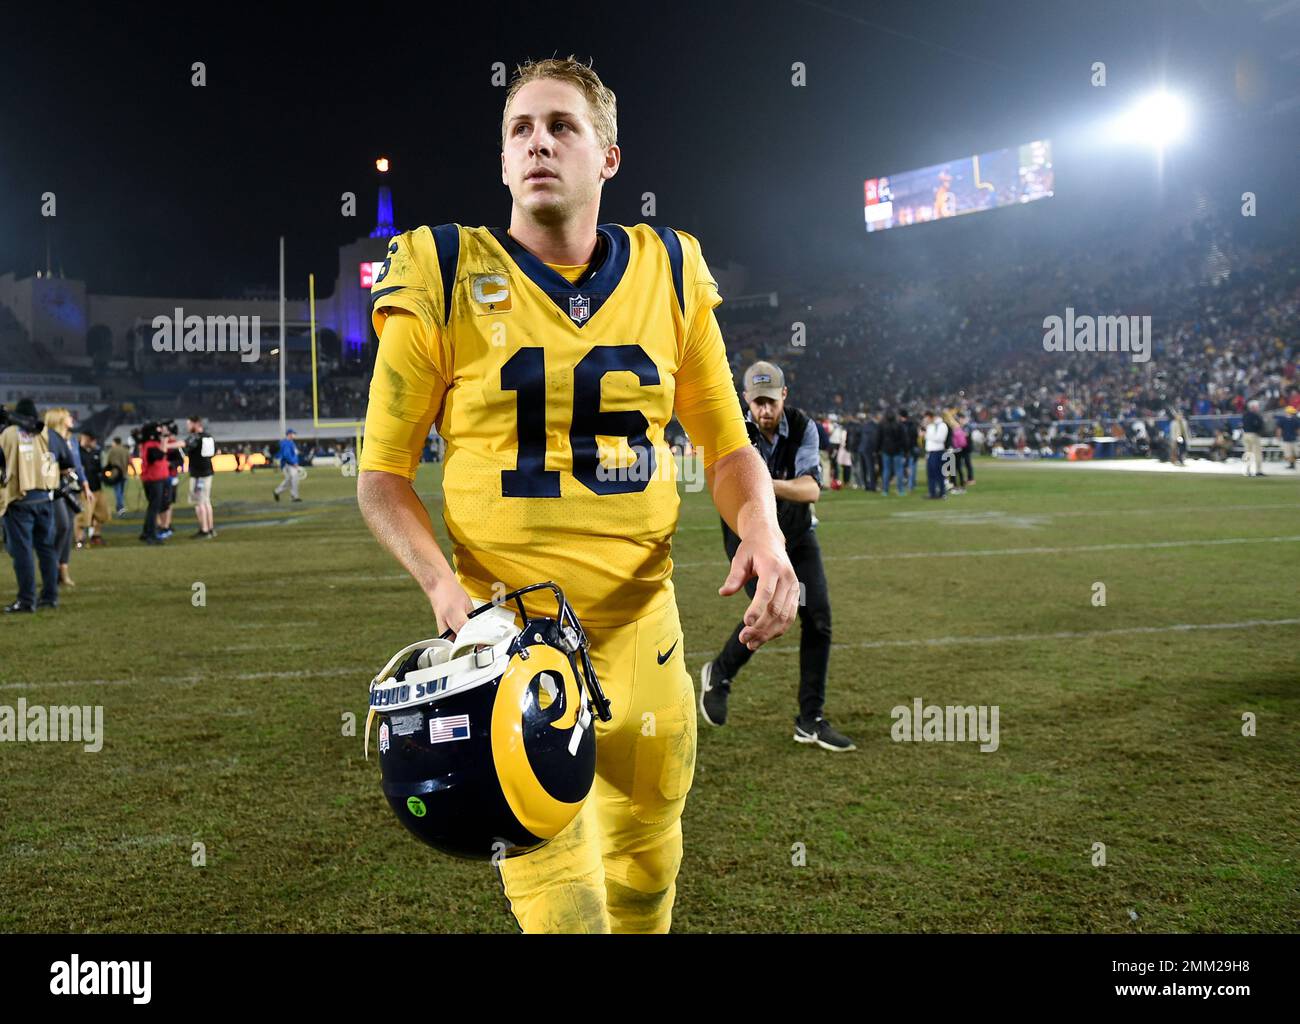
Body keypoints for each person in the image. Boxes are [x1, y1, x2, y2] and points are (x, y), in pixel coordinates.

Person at [355, 56, 797, 934]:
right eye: (520, 129)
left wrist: (764, 530)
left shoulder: (669, 271)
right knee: (564, 908)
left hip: (646, 634)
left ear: (610, 157)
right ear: (502, 157)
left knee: (648, 871)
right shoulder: (441, 269)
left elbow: (726, 443)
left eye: (562, 127)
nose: (538, 144)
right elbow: (381, 478)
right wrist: (449, 597)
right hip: (510, 647)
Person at [699, 361, 854, 752]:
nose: (764, 411)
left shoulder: (803, 428)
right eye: (757, 403)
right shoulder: (736, 430)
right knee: (770, 609)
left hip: (798, 534)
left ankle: (810, 720)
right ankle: (719, 673)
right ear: (746, 401)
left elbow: (810, 490)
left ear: (784, 396)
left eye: (771, 401)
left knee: (818, 619)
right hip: (748, 537)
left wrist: (761, 485)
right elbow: (723, 483)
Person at [0, 398, 61, 612]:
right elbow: (62, 457)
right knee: (46, 549)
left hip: (20, 498)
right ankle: (50, 597)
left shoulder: (8, 434)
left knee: (23, 551)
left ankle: (26, 600)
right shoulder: (46, 432)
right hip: (45, 497)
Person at [75, 430, 110, 547]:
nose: (95, 441)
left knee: (102, 515)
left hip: (97, 489)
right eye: (92, 439)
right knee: (83, 518)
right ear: (86, 438)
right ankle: (79, 540)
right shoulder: (76, 452)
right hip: (83, 490)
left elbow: (102, 469)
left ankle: (95, 535)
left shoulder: (97, 451)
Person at [185, 416, 217, 537]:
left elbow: (185, 447)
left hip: (198, 475)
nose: (187, 427)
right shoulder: (208, 437)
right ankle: (210, 528)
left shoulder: (195, 438)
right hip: (207, 472)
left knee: (199, 503)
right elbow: (214, 452)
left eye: (189, 424)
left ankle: (204, 530)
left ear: (195, 424)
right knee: (206, 501)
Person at [878, 410, 907, 496]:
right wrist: (905, 450)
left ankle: (885, 490)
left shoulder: (882, 425)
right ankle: (900, 490)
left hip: (886, 450)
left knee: (886, 470)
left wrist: (877, 449)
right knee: (899, 471)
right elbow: (904, 439)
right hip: (897, 451)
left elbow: (878, 438)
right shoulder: (899, 425)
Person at [924, 410, 949, 499]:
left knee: (938, 473)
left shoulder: (942, 425)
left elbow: (940, 439)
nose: (925, 420)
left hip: (938, 452)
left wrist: (926, 435)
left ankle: (942, 492)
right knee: (930, 474)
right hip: (930, 452)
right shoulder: (930, 426)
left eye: (926, 418)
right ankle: (932, 492)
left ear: (931, 417)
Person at [273, 429, 302, 501]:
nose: (294, 435)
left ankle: (277, 491)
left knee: (289, 480)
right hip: (288, 464)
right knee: (294, 479)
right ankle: (294, 496)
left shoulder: (291, 442)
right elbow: (286, 455)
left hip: (290, 464)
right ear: (289, 434)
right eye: (293, 433)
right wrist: (293, 463)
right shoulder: (286, 443)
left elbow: (293, 453)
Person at [106, 436, 130, 514]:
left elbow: (109, 462)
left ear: (115, 442)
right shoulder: (125, 450)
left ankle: (120, 508)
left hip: (115, 474)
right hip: (124, 474)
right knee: (121, 492)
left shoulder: (112, 450)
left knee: (117, 492)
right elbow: (130, 462)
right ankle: (119, 508)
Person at [1241, 400, 1265, 477]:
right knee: (1257, 453)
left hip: (1245, 434)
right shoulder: (1255, 415)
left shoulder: (1245, 415)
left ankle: (1247, 470)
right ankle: (1258, 471)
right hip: (1253, 435)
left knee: (1248, 454)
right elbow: (1259, 425)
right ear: (1253, 407)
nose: (1258, 408)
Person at [1275, 405, 1298, 470]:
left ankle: (1292, 464)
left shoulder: (1294, 420)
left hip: (1292, 438)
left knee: (1293, 453)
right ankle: (1292, 464)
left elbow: (1298, 429)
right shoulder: (1284, 420)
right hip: (1288, 438)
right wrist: (1278, 436)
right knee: (1289, 453)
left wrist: (1278, 436)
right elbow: (1279, 429)